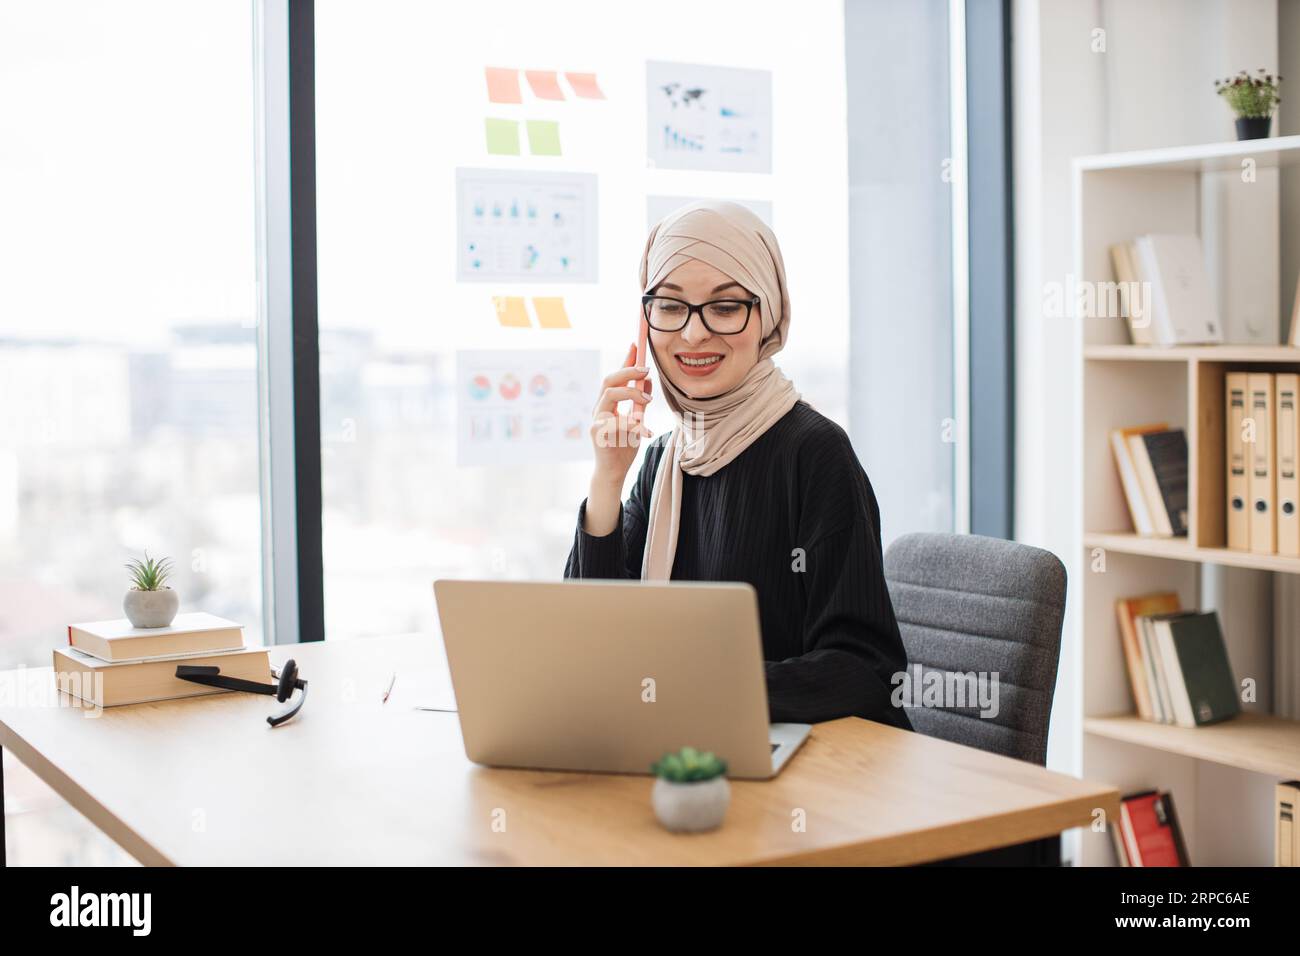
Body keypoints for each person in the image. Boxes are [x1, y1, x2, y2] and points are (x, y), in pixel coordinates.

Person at [563, 200, 910, 729]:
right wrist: (608, 479)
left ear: (766, 315)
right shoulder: (664, 461)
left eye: (725, 307)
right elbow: (594, 640)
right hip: (689, 748)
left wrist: (702, 691)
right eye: (671, 306)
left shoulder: (814, 452)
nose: (694, 333)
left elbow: (866, 670)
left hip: (810, 770)